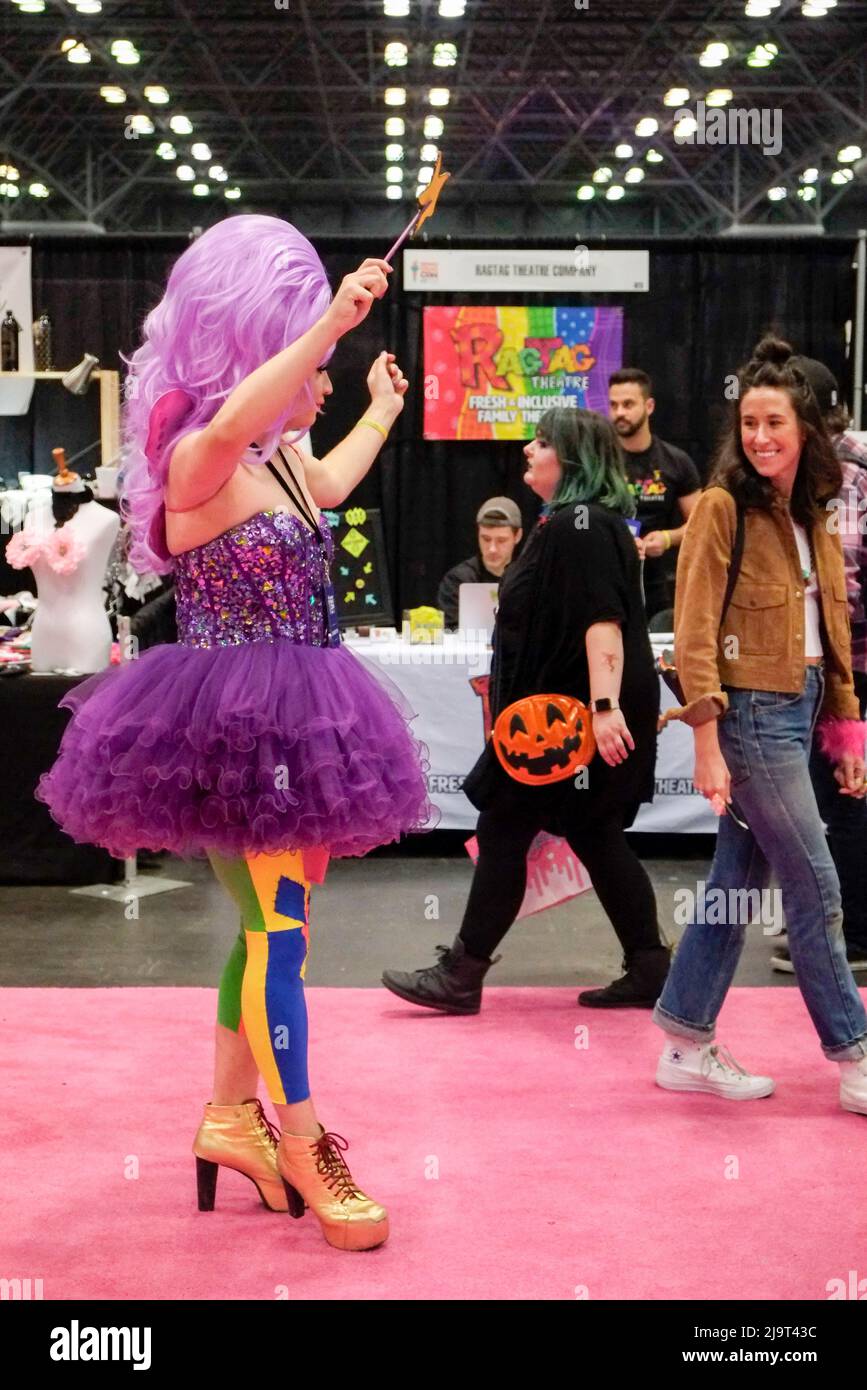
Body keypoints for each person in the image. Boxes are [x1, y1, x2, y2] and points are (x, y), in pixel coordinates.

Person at [35, 215, 435, 1250]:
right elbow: (239, 419)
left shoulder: (282, 458)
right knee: (281, 937)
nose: (322, 371)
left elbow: (331, 483)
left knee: (270, 934)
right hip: (238, 731)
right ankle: (303, 1141)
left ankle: (226, 1118)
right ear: (257, 339)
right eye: (298, 341)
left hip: (303, 727)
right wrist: (326, 330)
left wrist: (384, 410)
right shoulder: (197, 457)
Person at [382, 407, 671, 1014]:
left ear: (567, 457)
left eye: (540, 442)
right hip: (556, 719)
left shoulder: (580, 526)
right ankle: (649, 966)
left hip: (565, 723)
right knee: (593, 834)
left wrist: (603, 707)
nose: (528, 452)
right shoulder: (571, 523)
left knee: (506, 829)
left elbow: (603, 624)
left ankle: (462, 974)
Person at [653, 335, 867, 1115]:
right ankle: (854, 1054)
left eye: (773, 421)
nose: (759, 437)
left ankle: (684, 1041)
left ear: (803, 427)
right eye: (748, 422)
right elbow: (693, 632)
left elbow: (832, 631)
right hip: (748, 718)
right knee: (815, 886)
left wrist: (844, 728)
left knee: (734, 887)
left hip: (800, 709)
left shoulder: (805, 510)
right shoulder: (720, 507)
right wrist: (706, 739)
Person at [769, 356, 867, 976]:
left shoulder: (844, 476)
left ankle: (853, 934)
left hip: (850, 665)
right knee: (833, 796)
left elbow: (846, 582)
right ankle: (833, 920)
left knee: (844, 795)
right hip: (839, 663)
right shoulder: (831, 467)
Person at [608, 368, 701, 621]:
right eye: (613, 405)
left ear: (649, 406)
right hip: (607, 583)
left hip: (657, 587)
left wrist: (668, 538)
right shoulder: (599, 462)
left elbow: (702, 524)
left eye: (628, 404)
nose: (619, 413)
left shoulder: (676, 462)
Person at [436, 496, 523, 629]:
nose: (492, 549)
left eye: (501, 540)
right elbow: (449, 632)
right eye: (486, 539)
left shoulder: (526, 578)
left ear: (517, 536)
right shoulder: (459, 580)